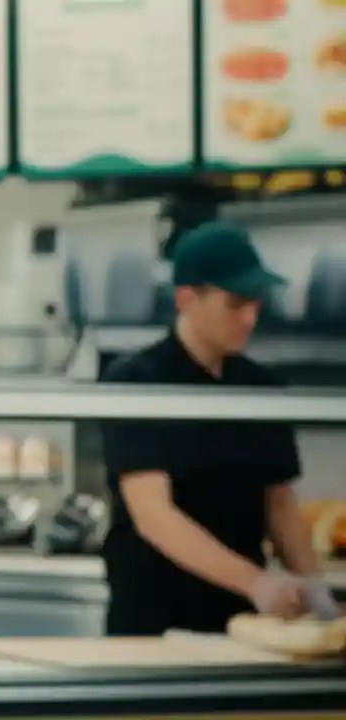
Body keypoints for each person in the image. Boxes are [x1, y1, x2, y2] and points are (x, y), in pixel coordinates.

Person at [99, 221, 341, 636]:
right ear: (187, 299)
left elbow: (279, 506)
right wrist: (256, 581)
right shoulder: (136, 381)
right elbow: (154, 515)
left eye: (256, 304)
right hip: (154, 621)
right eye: (235, 303)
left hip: (240, 624)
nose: (249, 318)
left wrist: (320, 598)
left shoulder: (260, 389)